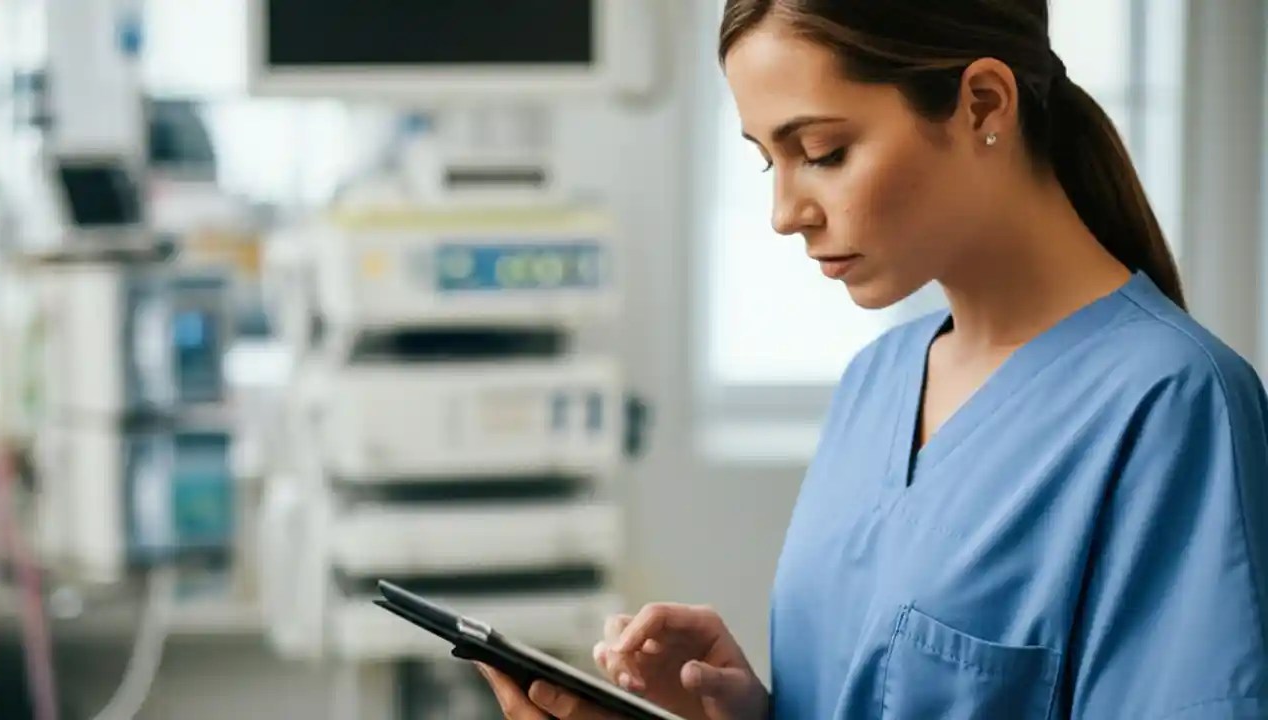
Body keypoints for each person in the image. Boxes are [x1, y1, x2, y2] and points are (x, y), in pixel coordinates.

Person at [480, 0, 1268, 717]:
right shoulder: (878, 380)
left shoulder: (1172, 404)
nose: (784, 213)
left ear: (982, 104)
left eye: (822, 152)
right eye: (769, 161)